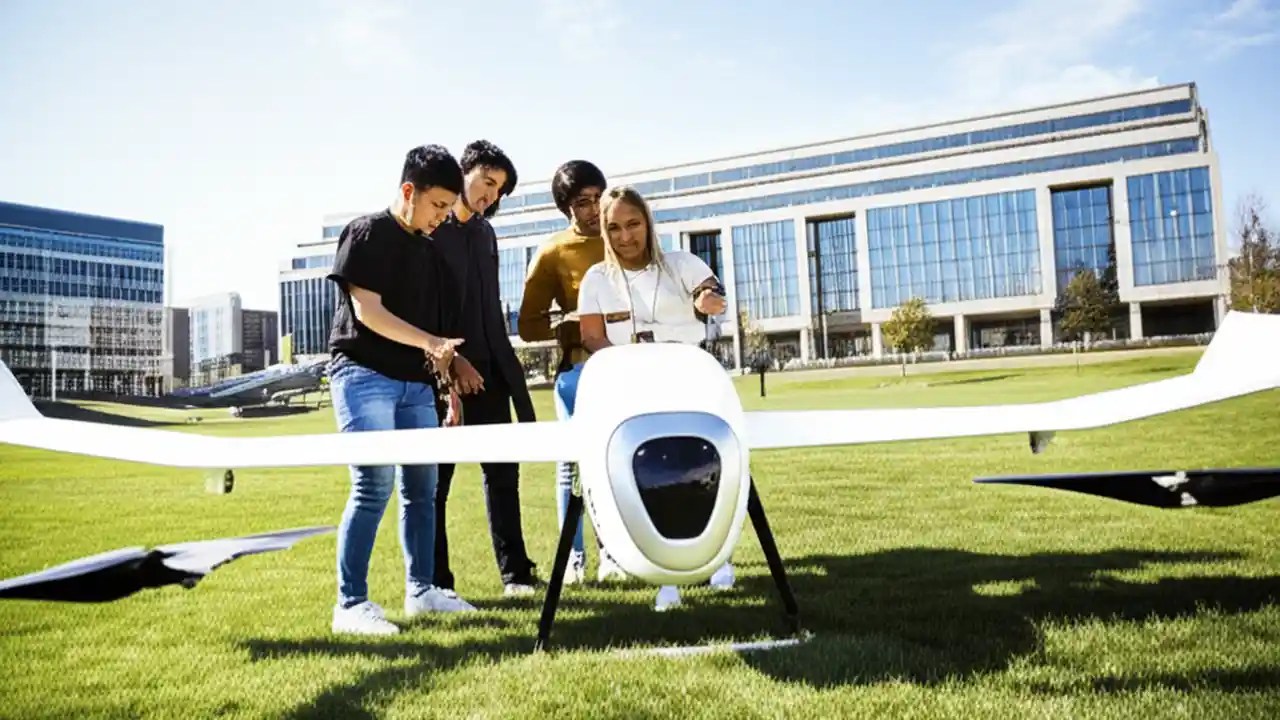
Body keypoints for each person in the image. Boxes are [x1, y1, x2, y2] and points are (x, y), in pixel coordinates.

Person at [326, 144, 477, 636]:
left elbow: (437, 337)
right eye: (436, 206)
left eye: (448, 208)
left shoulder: (431, 254)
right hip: (363, 374)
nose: (441, 217)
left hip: (416, 384)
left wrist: (447, 384)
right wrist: (433, 343)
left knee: (423, 491)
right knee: (374, 486)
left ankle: (423, 592)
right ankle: (350, 605)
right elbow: (369, 312)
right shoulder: (365, 233)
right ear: (409, 191)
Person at [576, 185, 736, 611]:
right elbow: (591, 336)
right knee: (654, 478)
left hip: (690, 384)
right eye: (614, 228)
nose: (625, 236)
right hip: (632, 393)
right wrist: (626, 366)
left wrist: (707, 300)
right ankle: (667, 579)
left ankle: (720, 558)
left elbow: (708, 292)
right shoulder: (596, 280)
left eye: (633, 224)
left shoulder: (682, 263)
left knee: (708, 468)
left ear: (647, 222)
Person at [429, 139, 540, 597]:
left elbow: (492, 314)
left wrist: (513, 382)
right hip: (445, 376)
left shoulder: (485, 234)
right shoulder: (431, 231)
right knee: (437, 482)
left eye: (499, 190)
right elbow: (426, 311)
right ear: (464, 171)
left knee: (503, 475)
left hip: (493, 374)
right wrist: (453, 363)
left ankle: (515, 575)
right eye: (488, 182)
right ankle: (437, 583)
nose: (492, 195)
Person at [517, 159, 625, 584]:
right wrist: (569, 324)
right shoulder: (552, 253)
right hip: (579, 372)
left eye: (600, 198)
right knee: (572, 466)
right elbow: (528, 326)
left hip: (630, 370)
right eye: (584, 202)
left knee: (617, 460)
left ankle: (615, 553)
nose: (596, 209)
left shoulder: (625, 238)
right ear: (566, 207)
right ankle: (573, 558)